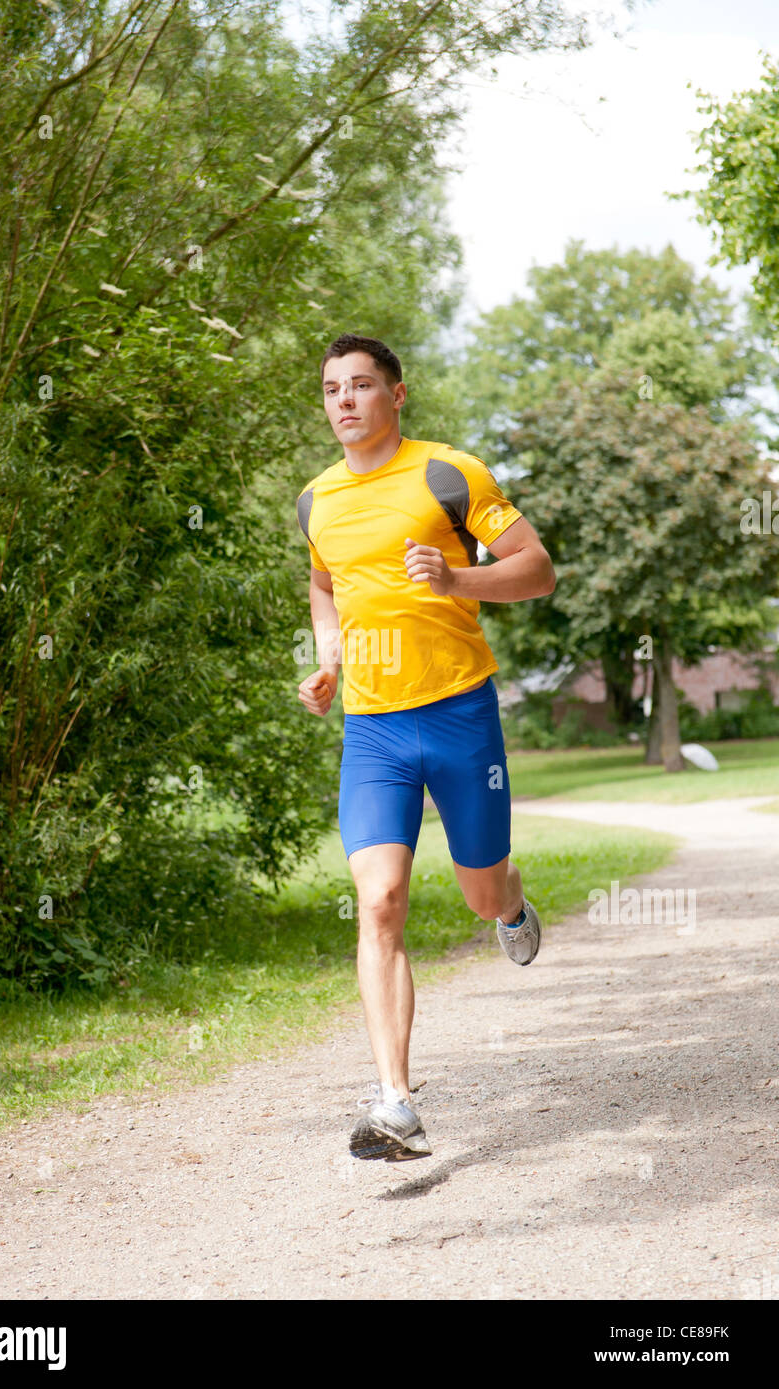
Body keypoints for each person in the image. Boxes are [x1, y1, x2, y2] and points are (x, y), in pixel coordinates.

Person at [296, 333, 555, 1162]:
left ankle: (509, 902)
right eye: (333, 388)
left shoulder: (450, 474)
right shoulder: (315, 501)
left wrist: (456, 580)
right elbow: (324, 585)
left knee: (479, 896)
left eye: (361, 385)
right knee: (378, 903)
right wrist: (327, 660)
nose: (344, 401)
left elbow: (537, 568)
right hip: (372, 731)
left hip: (459, 714)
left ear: (395, 396)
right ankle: (395, 1102)